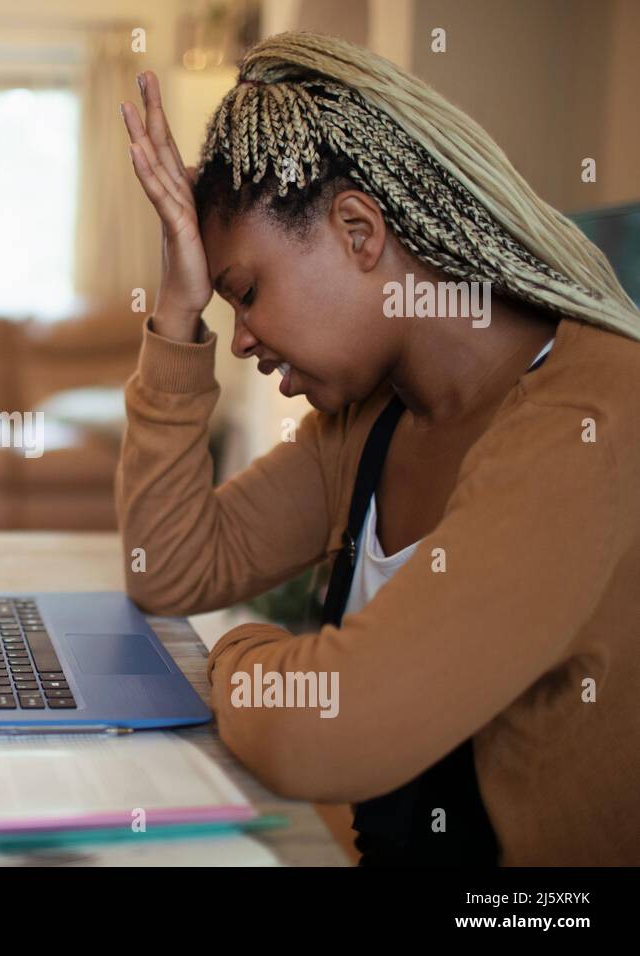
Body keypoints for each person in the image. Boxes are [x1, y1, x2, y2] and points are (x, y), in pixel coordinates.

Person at [116, 31, 640, 866]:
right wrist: (180, 311)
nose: (241, 338)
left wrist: (238, 651)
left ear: (360, 232)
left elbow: (329, 733)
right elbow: (167, 564)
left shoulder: (589, 424)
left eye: (244, 294)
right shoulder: (375, 423)